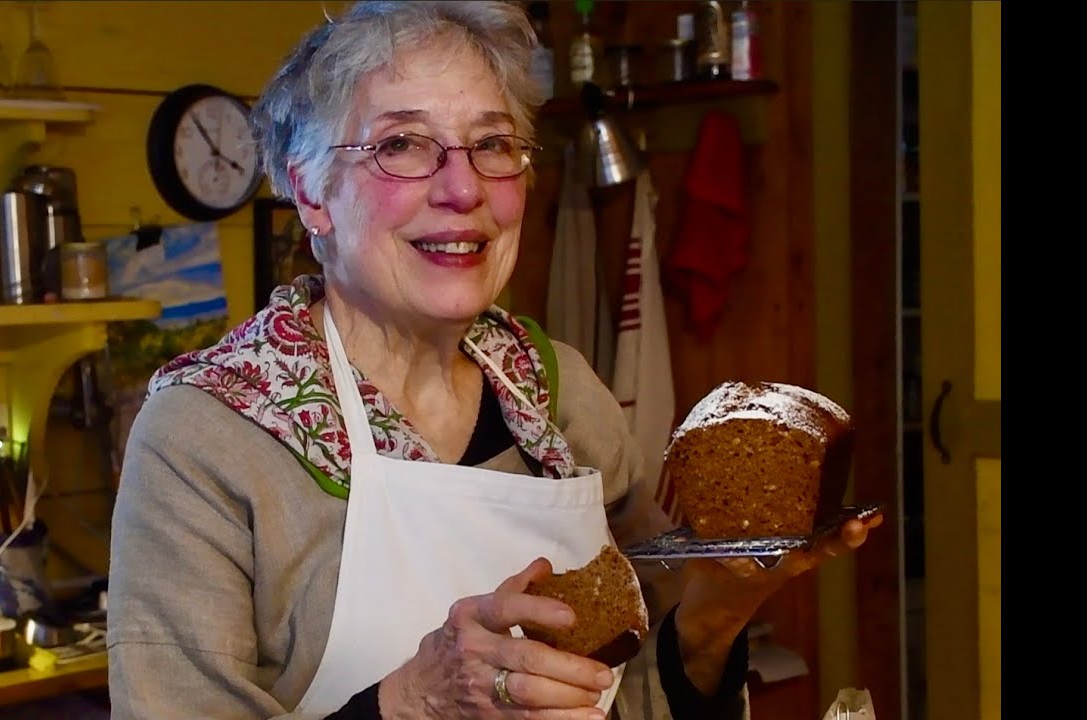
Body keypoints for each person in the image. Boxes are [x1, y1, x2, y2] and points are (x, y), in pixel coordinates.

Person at [107, 2, 883, 719]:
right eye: (402, 144)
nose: (462, 187)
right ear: (310, 192)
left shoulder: (559, 393)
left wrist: (722, 602)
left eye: (492, 144)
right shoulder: (206, 440)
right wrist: (415, 699)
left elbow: (635, 692)